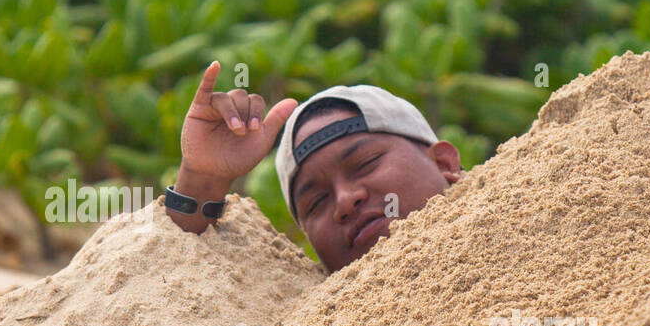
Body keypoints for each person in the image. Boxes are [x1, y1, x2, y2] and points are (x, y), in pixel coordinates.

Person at [164, 61, 462, 271]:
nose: (345, 201)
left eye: (366, 164)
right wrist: (203, 179)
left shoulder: (510, 222)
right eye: (316, 202)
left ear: (443, 162)